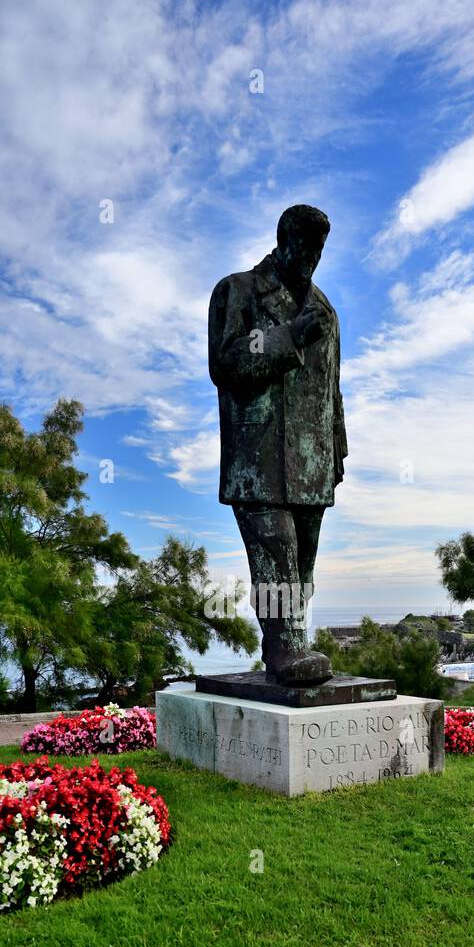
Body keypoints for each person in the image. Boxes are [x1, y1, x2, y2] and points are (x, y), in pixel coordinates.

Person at [208, 204, 347, 685]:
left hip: (311, 463)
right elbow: (225, 363)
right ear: (282, 239)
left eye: (319, 247)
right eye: (305, 243)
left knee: (302, 567)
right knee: (277, 553)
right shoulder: (237, 291)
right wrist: (287, 336)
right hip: (258, 457)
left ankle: (293, 641)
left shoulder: (326, 310)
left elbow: (333, 388)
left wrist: (336, 448)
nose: (311, 255)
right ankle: (283, 647)